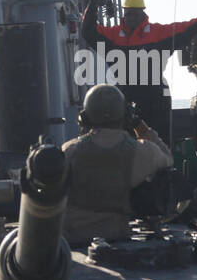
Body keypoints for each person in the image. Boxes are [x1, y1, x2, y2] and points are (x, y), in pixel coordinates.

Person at [80, 0, 197, 144]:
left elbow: (188, 28)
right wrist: (93, 4)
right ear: (124, 14)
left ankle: (164, 164)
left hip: (155, 97)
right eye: (128, 13)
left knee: (160, 141)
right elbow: (88, 31)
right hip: (124, 97)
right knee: (124, 142)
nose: (131, 17)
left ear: (143, 13)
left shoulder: (158, 33)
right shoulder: (112, 35)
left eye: (135, 13)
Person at [61, 84, 174, 244]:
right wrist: (139, 126)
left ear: (84, 118)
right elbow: (168, 159)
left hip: (73, 237)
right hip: (116, 236)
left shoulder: (69, 151)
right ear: (126, 115)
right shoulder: (143, 151)